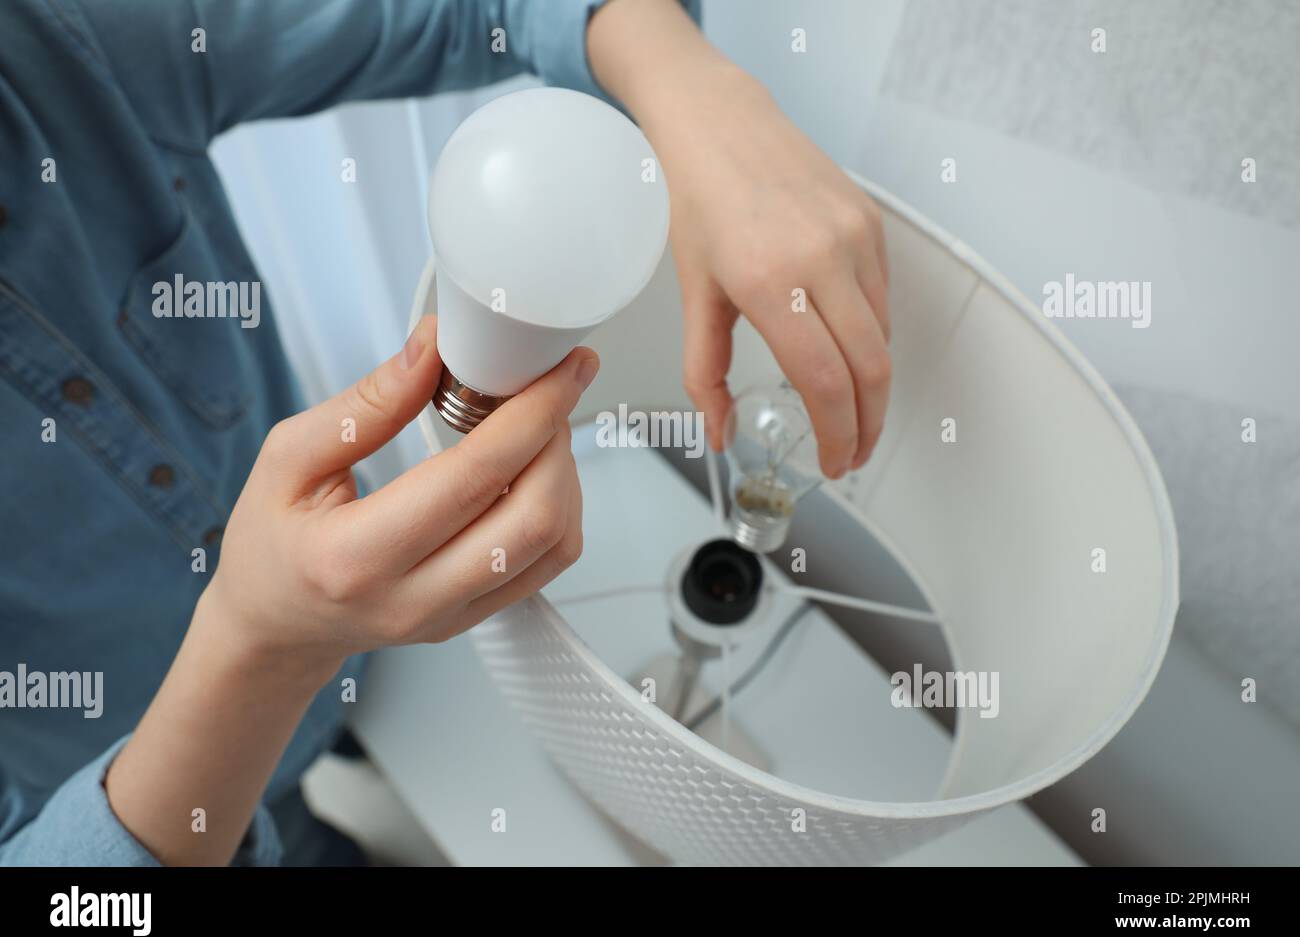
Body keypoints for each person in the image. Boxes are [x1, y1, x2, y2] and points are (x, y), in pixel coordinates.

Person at [0, 0, 890, 865]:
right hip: (152, 810)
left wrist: (699, 97)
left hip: (367, 676)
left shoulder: (56, 38)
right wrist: (260, 646)